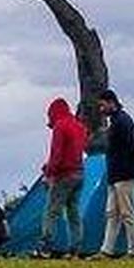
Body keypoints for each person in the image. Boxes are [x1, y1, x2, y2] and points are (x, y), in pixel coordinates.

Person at [93, 88, 134, 259]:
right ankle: (106, 250)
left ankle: (133, 251)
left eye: (102, 105)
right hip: (115, 174)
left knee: (128, 213)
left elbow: (132, 148)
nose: (101, 109)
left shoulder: (122, 122)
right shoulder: (116, 122)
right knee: (112, 213)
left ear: (111, 103)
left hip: (124, 174)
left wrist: (130, 170)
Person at [35, 97, 88, 258]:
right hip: (80, 173)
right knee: (73, 212)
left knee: (51, 211)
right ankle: (75, 248)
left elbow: (57, 154)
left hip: (64, 175)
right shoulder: (80, 127)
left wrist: (48, 172)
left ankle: (45, 247)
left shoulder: (60, 126)